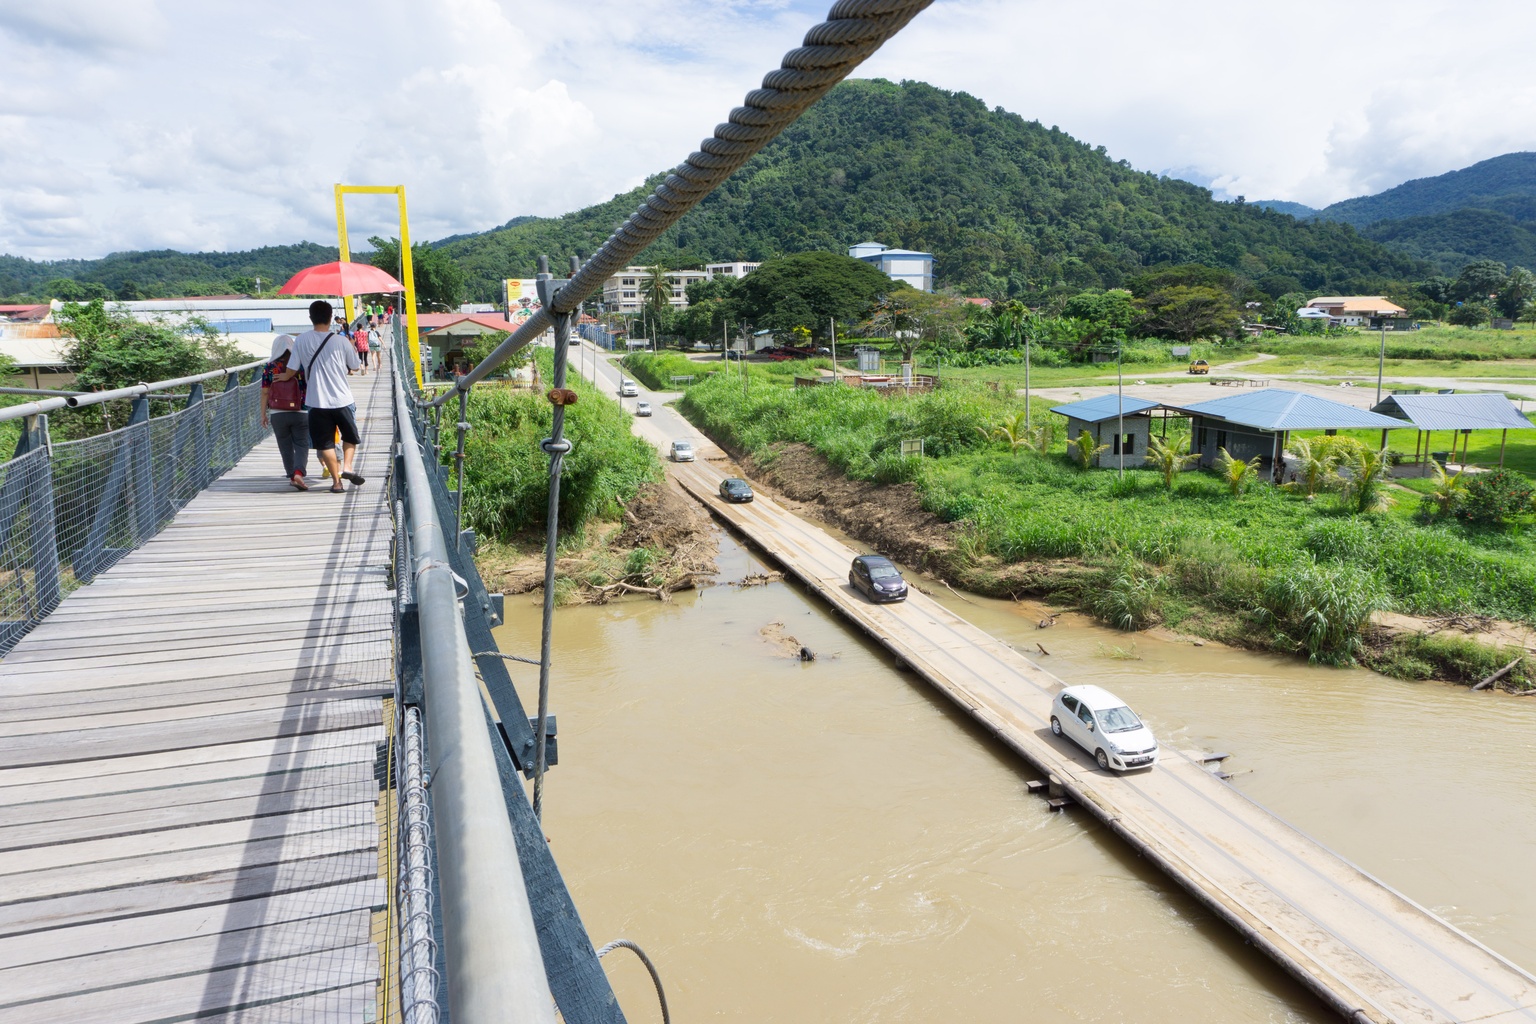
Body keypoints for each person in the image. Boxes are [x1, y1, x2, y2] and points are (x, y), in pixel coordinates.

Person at [279, 299, 365, 494]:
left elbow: (292, 369)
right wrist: (349, 345)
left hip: (316, 401)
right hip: (342, 398)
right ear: (330, 318)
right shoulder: (340, 340)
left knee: (325, 443)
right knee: (349, 436)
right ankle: (348, 467)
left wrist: (283, 377)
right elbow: (355, 366)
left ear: (311, 318)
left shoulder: (301, 340)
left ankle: (336, 482)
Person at [260, 333, 310, 491]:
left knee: (284, 444)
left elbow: (265, 392)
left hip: (277, 412)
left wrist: (263, 414)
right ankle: (298, 472)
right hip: (301, 410)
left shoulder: (270, 367)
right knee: (302, 443)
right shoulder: (301, 364)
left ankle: (291, 475)